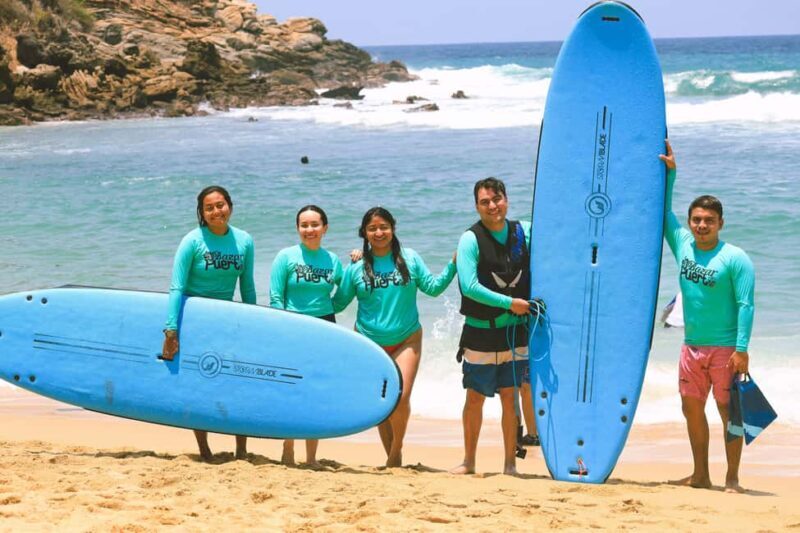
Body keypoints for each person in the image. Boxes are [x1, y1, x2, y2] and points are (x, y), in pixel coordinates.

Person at [660, 140, 755, 493]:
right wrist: (671, 173)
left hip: (726, 349)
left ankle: (732, 478)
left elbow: (746, 305)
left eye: (709, 221)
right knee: (691, 409)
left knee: (729, 413)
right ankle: (700, 474)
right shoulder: (683, 245)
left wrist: (741, 349)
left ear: (720, 223)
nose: (702, 225)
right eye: (697, 220)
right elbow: (664, 212)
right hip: (691, 347)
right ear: (690, 222)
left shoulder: (735, 258)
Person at [333, 207, 456, 467]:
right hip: (369, 343)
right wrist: (326, 278)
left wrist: (454, 264)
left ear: (393, 228)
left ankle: (396, 451)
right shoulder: (356, 267)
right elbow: (338, 303)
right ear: (364, 233)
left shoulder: (410, 258)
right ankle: (391, 457)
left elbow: (433, 288)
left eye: (384, 227)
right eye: (372, 228)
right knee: (382, 401)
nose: (379, 233)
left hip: (406, 339)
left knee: (400, 397)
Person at [161, 185, 257, 461]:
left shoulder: (244, 240)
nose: (216, 211)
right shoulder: (192, 241)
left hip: (227, 318)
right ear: (202, 213)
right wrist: (171, 330)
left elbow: (247, 287)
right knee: (199, 384)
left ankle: (241, 449)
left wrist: (254, 324)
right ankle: (204, 449)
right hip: (195, 320)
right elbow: (177, 287)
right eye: (209, 207)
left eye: (221, 205)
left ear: (230, 206)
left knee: (237, 382)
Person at [451, 177, 535, 476]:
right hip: (480, 333)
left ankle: (510, 465)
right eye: (484, 202)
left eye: (497, 199)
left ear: (506, 200)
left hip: (515, 332)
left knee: (511, 396)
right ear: (477, 206)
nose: (492, 206)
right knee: (475, 398)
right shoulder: (470, 239)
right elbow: (470, 286)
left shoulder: (524, 231)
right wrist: (509, 303)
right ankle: (468, 462)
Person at [269, 205, 343, 466]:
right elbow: (276, 296)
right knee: (291, 387)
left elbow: (344, 291)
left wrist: (358, 260)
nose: (309, 230)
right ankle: (288, 447)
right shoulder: (286, 256)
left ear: (325, 228)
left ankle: (311, 457)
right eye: (304, 225)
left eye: (315, 224)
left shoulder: (332, 260)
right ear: (297, 228)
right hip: (294, 327)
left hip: (324, 327)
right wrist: (284, 326)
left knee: (317, 389)